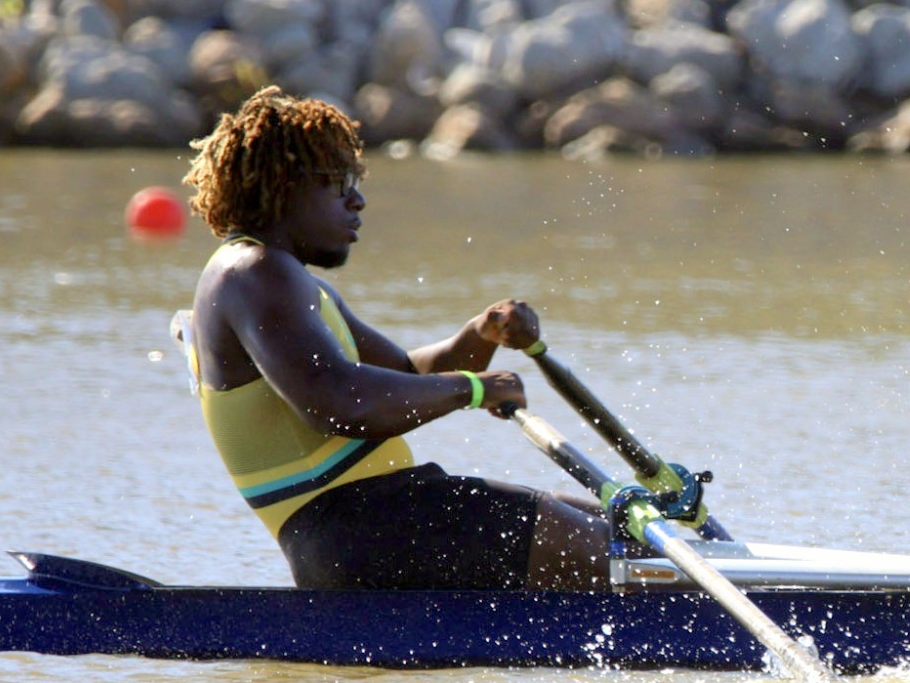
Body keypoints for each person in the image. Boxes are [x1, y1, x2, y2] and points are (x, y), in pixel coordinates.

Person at [181, 86, 608, 591]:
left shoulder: (284, 280)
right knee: (625, 560)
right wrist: (473, 389)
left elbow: (406, 375)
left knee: (623, 535)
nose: (357, 201)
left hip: (384, 521)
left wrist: (481, 332)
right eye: (340, 184)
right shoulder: (254, 274)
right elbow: (339, 403)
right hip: (364, 527)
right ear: (285, 185)